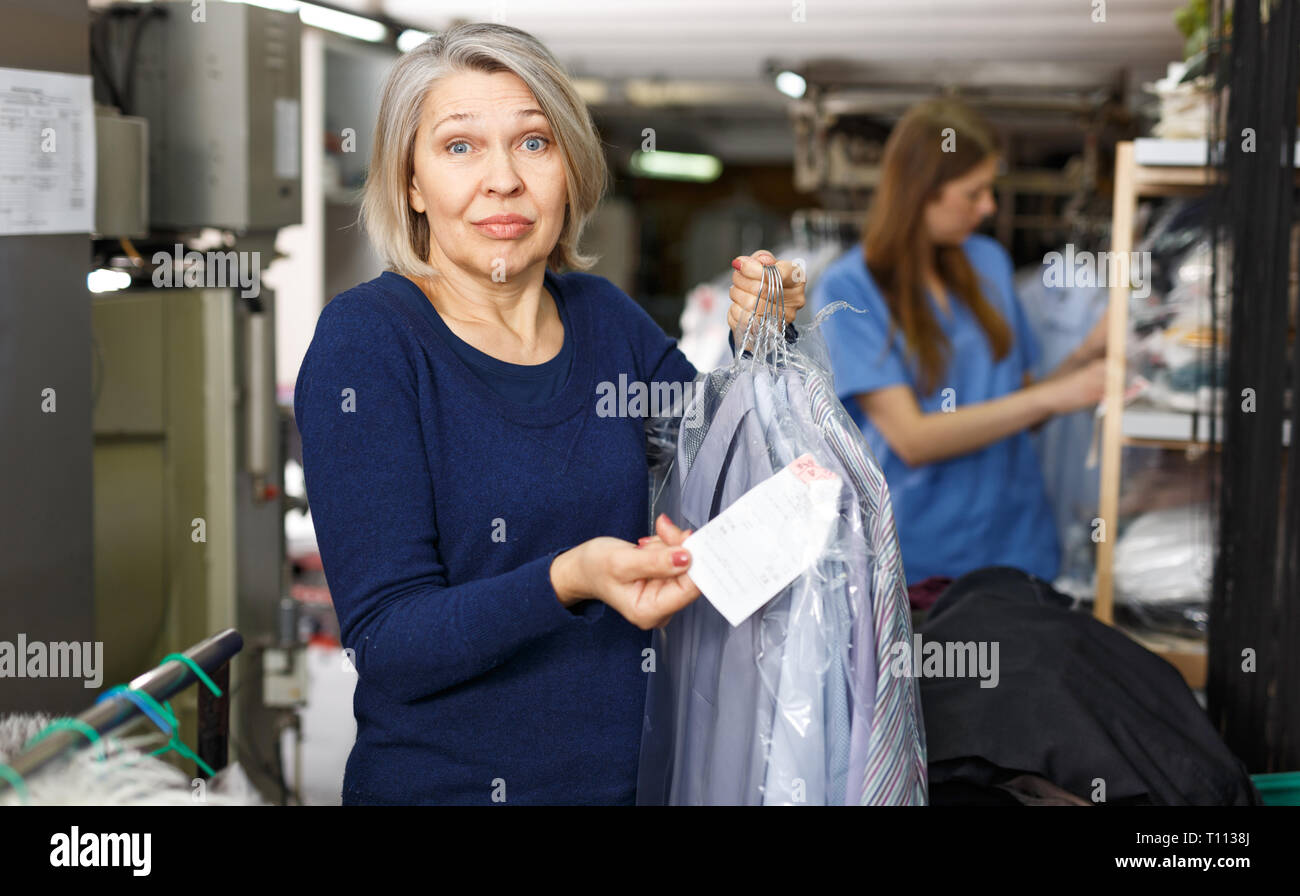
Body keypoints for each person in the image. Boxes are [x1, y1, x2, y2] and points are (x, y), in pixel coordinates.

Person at [293, 22, 805, 805]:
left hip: (631, 786)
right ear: (411, 184)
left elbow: (734, 461)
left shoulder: (605, 319)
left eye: (534, 143)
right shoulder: (369, 342)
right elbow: (391, 641)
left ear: (569, 170)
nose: (503, 180)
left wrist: (762, 338)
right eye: (460, 147)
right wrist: (570, 579)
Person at [810, 99, 1107, 586]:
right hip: (921, 558)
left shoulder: (987, 262)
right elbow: (913, 438)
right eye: (974, 193)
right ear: (920, 192)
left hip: (1017, 542)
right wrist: (1054, 394)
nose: (989, 207)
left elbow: (1022, 407)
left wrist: (1085, 356)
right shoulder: (849, 289)